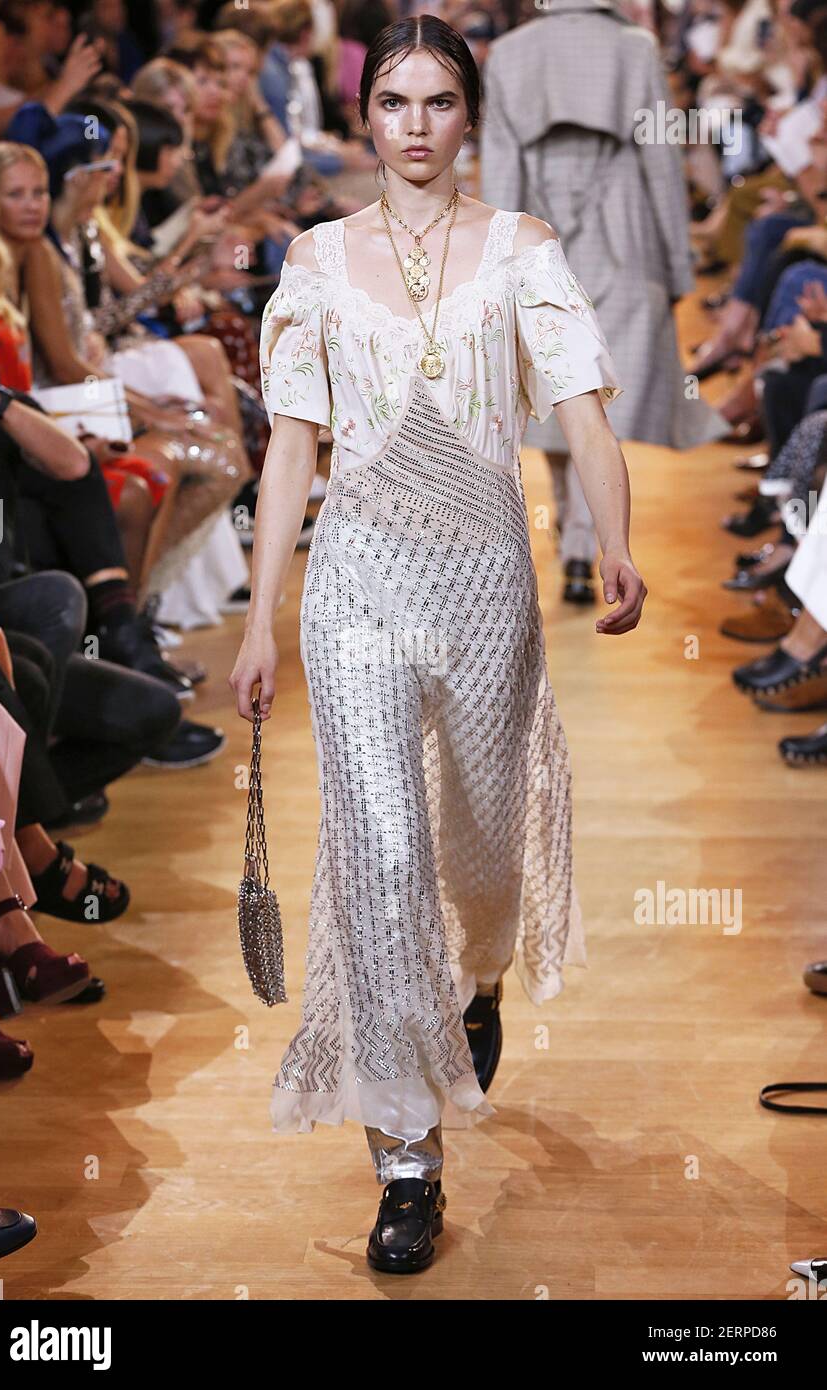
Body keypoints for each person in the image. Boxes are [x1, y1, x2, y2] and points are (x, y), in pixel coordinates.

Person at [229, 14, 647, 1275]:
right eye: (394, 103)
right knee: (381, 852)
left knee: (473, 852)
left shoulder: (524, 251)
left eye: (440, 104)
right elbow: (291, 447)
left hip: (482, 578)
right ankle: (407, 1156)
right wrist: (258, 621)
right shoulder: (311, 261)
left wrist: (615, 542)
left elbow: (581, 409)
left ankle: (479, 983)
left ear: (474, 117)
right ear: (366, 117)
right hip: (354, 578)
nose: (416, 127)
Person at [479, 0, 729, 603]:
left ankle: (571, 531)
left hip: (539, 229)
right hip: (625, 227)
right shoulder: (634, 47)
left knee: (548, 379)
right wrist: (675, 260)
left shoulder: (512, 53)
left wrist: (501, 264)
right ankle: (586, 538)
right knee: (596, 393)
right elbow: (660, 158)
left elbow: (503, 166)